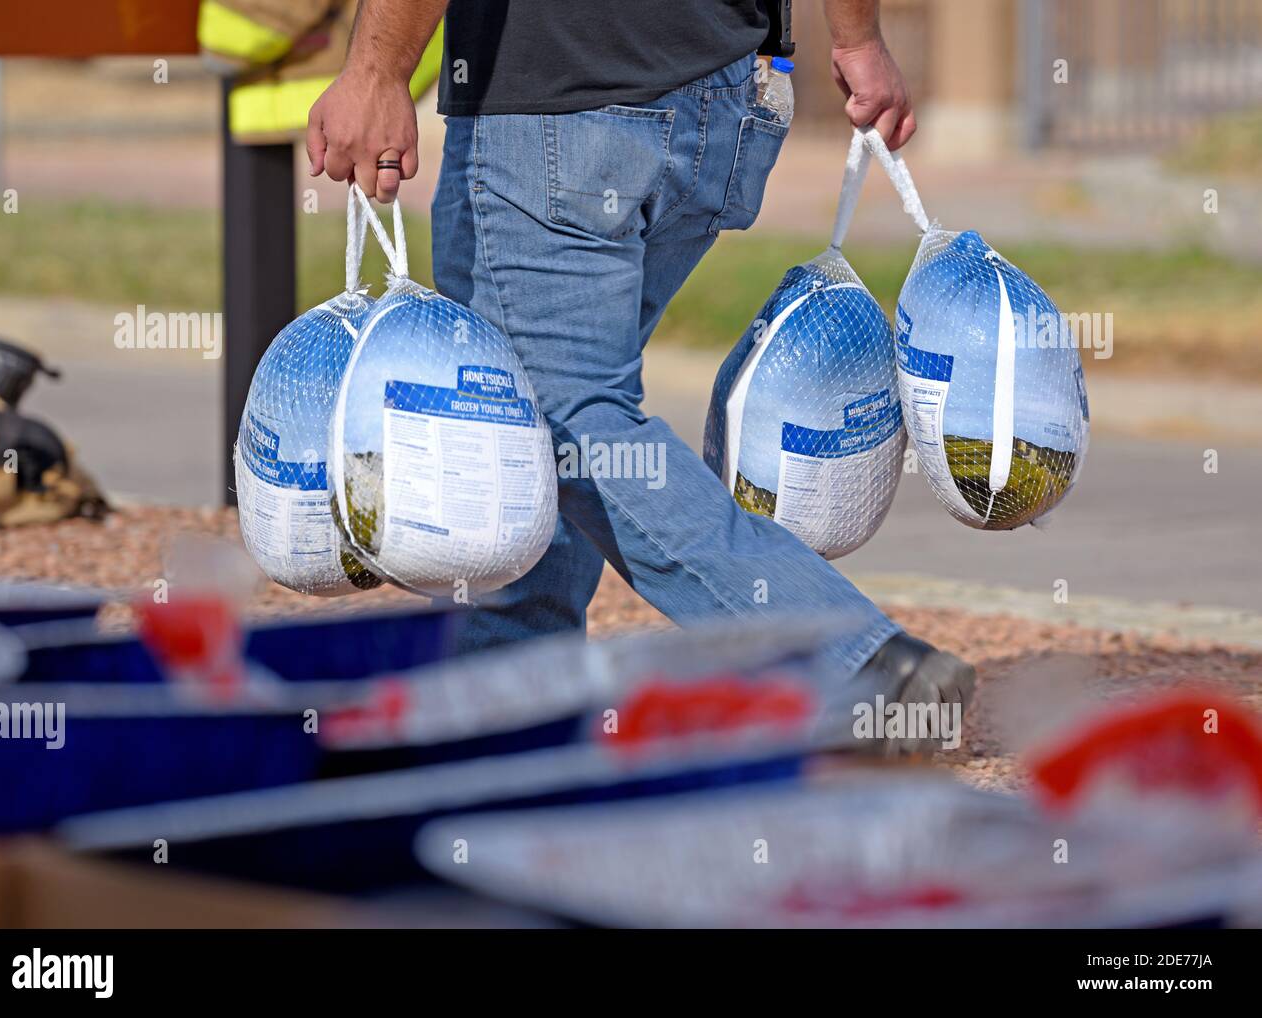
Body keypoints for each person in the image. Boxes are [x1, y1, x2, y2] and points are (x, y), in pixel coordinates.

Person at [307, 0, 973, 743]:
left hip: (565, 102)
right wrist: (857, 37)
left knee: (559, 418)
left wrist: (375, 71)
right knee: (527, 422)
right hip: (726, 99)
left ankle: (852, 658)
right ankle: (506, 703)